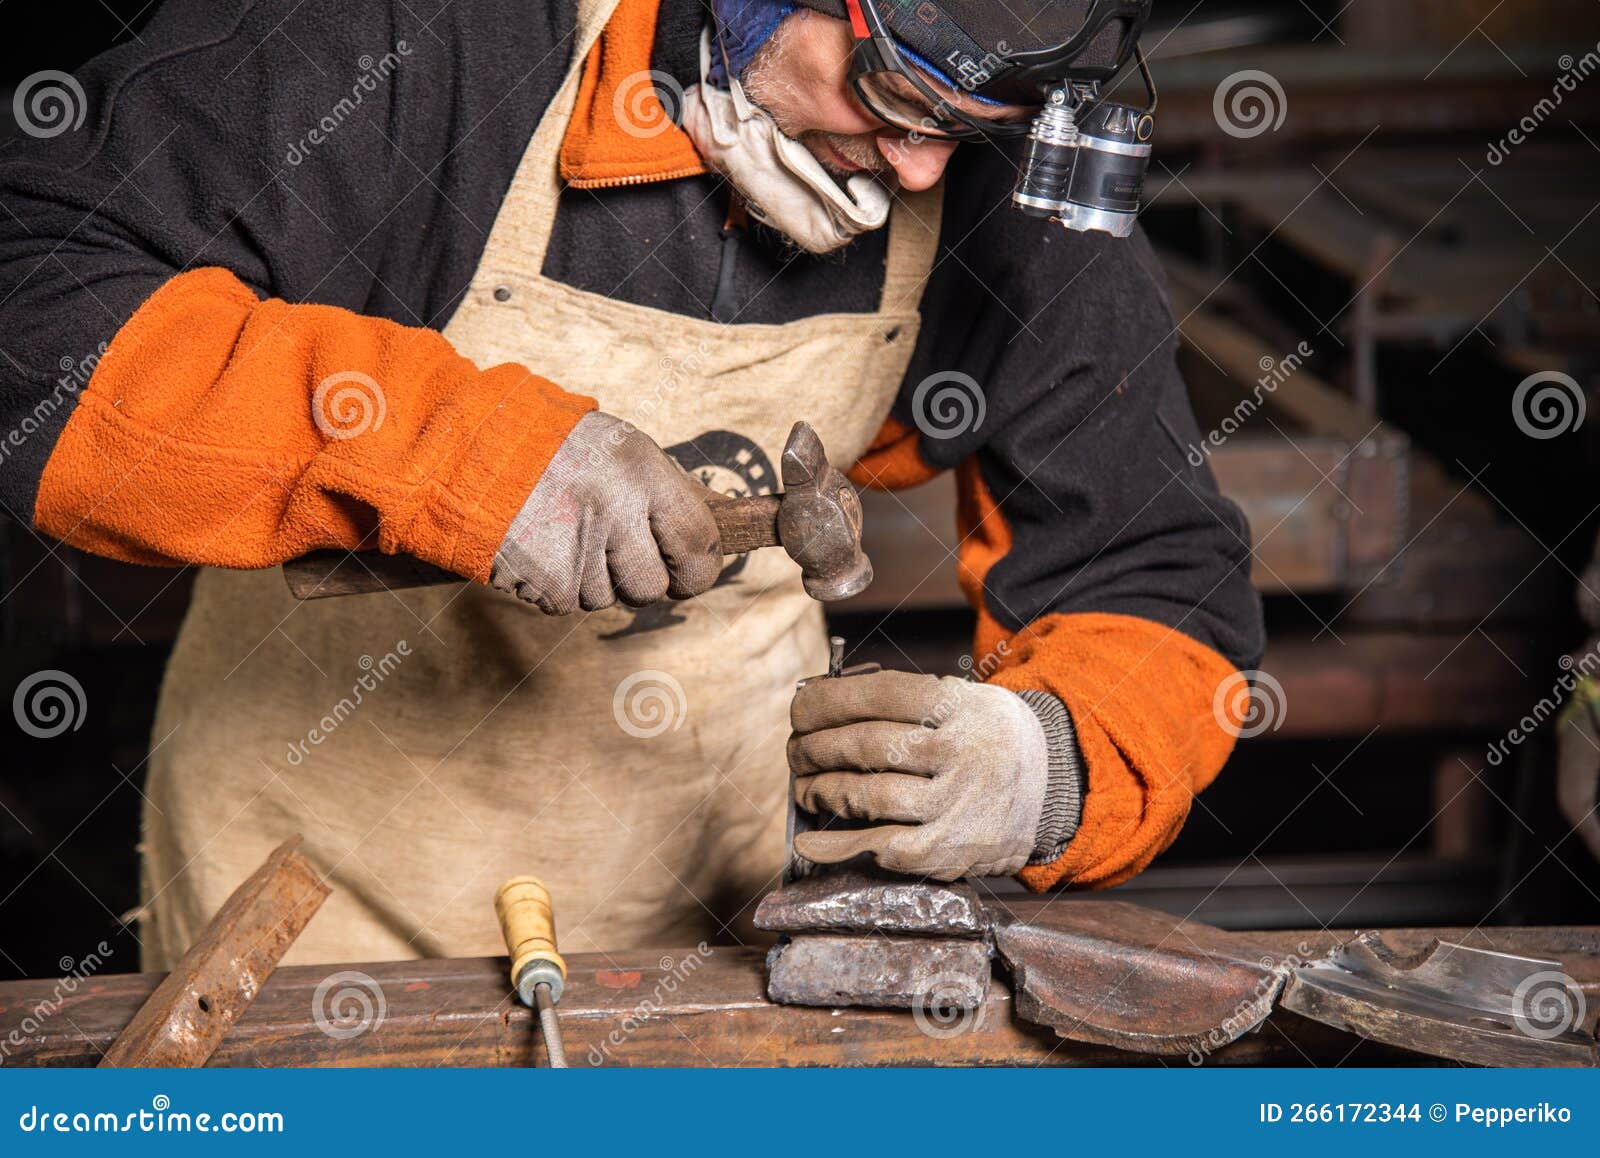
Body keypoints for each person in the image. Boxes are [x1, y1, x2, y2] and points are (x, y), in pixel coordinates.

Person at [0, 0, 1263, 967]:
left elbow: (1152, 563)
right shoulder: (427, 41)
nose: (921, 173)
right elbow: (33, 306)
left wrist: (1044, 766)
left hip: (716, 932)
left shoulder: (987, 170)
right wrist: (458, 456)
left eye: (969, 131)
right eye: (890, 89)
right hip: (313, 916)